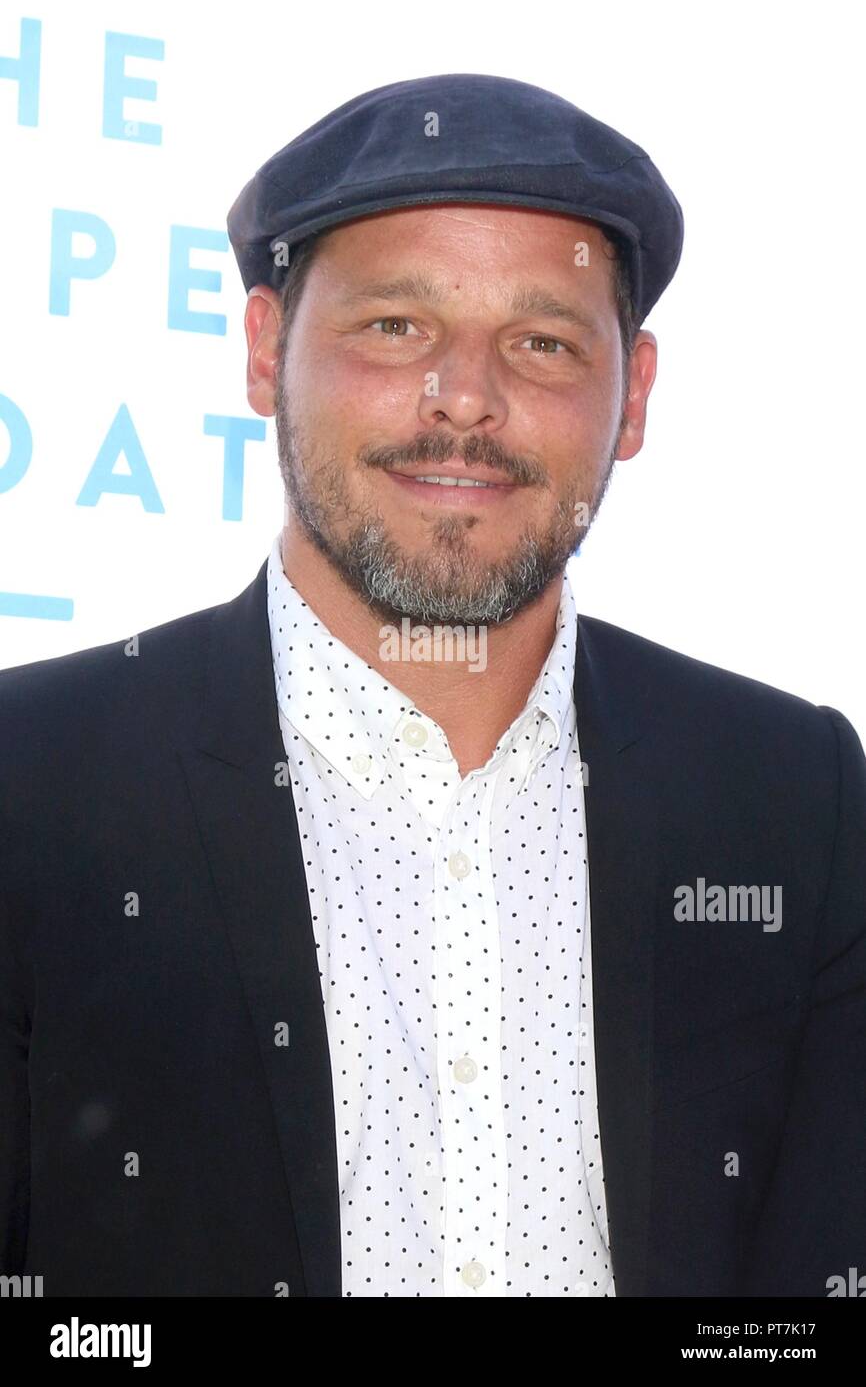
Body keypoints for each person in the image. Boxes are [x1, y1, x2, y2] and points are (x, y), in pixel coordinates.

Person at [1, 73, 864, 1299]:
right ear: (263, 351)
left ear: (633, 399)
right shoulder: (30, 785)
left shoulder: (795, 797)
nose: (465, 397)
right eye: (395, 326)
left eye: (542, 340)